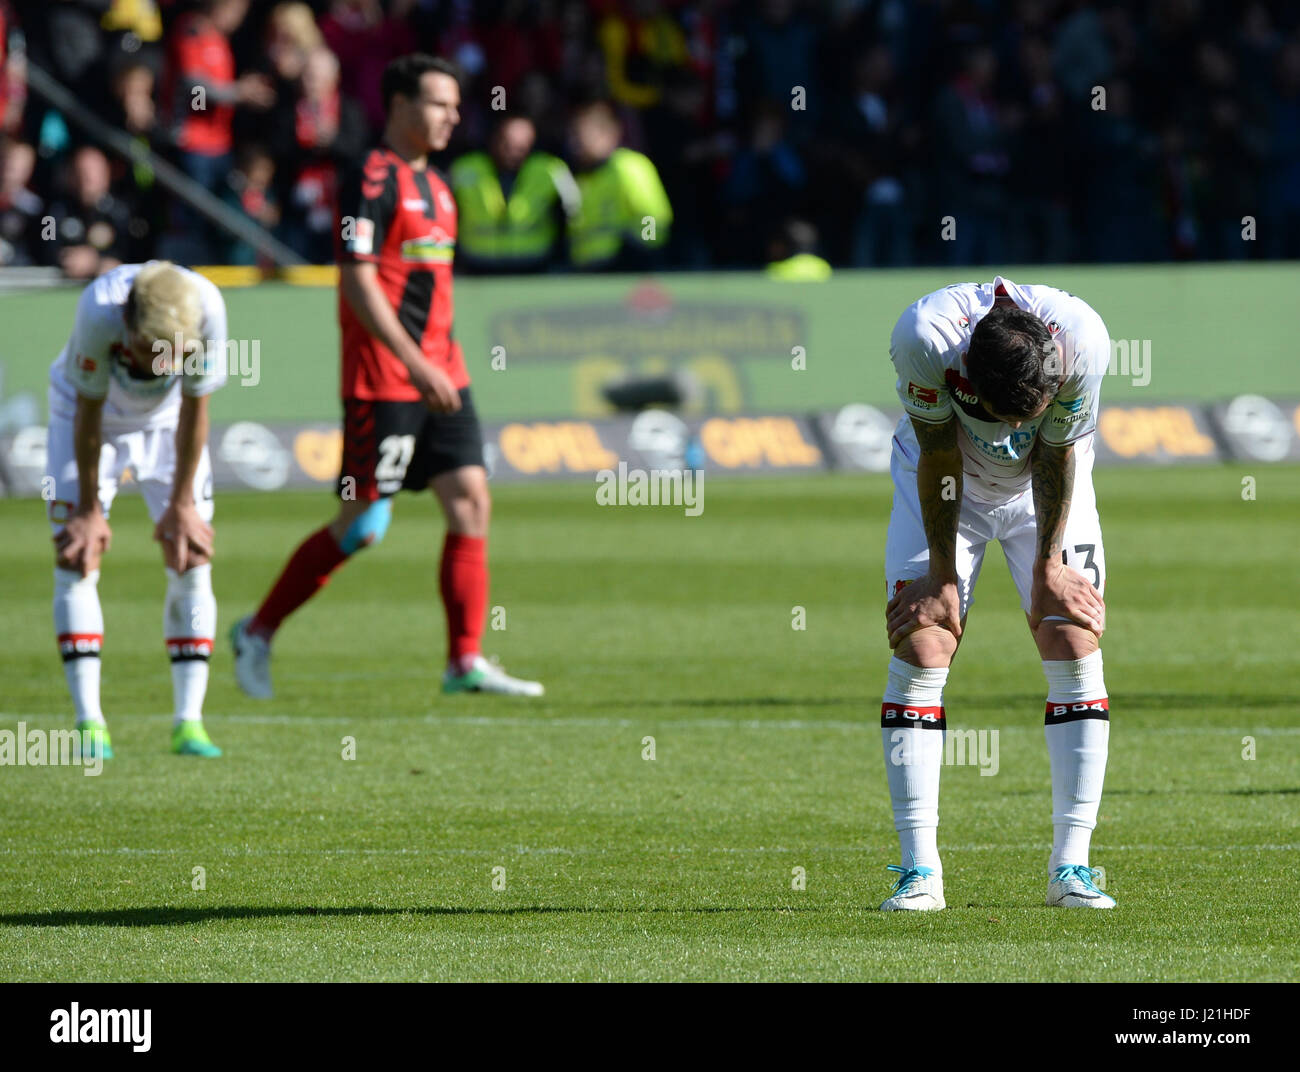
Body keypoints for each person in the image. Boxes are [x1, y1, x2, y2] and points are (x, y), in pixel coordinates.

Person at [231, 54, 543, 699]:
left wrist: (441, 363)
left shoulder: (443, 188)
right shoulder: (369, 178)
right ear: (399, 106)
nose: (453, 117)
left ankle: (464, 662)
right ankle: (256, 631)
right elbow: (356, 281)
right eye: (438, 104)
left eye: (457, 106)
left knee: (471, 502)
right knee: (363, 526)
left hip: (443, 377)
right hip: (385, 380)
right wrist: (415, 361)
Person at [879, 277, 1113, 911]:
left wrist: (1049, 564)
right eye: (1001, 413)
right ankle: (918, 869)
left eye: (1025, 415)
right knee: (923, 643)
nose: (1012, 428)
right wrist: (941, 575)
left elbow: (1057, 451)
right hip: (946, 479)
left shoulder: (1083, 341)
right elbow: (937, 455)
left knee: (1070, 633)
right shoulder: (925, 337)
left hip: (1046, 491)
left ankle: (1073, 867)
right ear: (968, 378)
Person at [44, 261, 227, 760]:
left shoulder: (207, 308)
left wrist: (183, 504)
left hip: (168, 424)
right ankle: (89, 724)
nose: (163, 366)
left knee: (191, 557)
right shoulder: (99, 310)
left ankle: (189, 724)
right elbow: (88, 407)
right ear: (128, 327)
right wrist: (87, 508)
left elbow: (196, 406)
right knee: (76, 556)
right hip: (83, 415)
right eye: (151, 353)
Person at [449, 111, 576, 273]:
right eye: (507, 143)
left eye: (522, 145)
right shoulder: (465, 169)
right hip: (476, 267)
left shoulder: (551, 170)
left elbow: (573, 217)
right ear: (494, 139)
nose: (513, 151)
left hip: (536, 267)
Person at [567, 99, 671, 270]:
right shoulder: (581, 176)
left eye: (580, 136)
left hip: (624, 273)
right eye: (572, 136)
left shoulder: (630, 167)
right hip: (587, 272)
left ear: (607, 134)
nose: (575, 144)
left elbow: (653, 217)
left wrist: (638, 250)